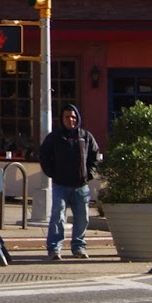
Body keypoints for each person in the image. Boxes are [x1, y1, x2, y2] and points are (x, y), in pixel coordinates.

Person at [39, 103, 101, 261]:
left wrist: (89, 174)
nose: (70, 120)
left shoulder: (85, 136)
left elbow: (95, 156)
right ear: (62, 118)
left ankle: (79, 247)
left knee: (82, 218)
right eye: (67, 117)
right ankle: (54, 249)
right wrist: (52, 173)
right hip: (61, 185)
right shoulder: (54, 137)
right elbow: (44, 156)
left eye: (73, 117)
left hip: (81, 186)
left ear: (78, 118)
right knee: (57, 217)